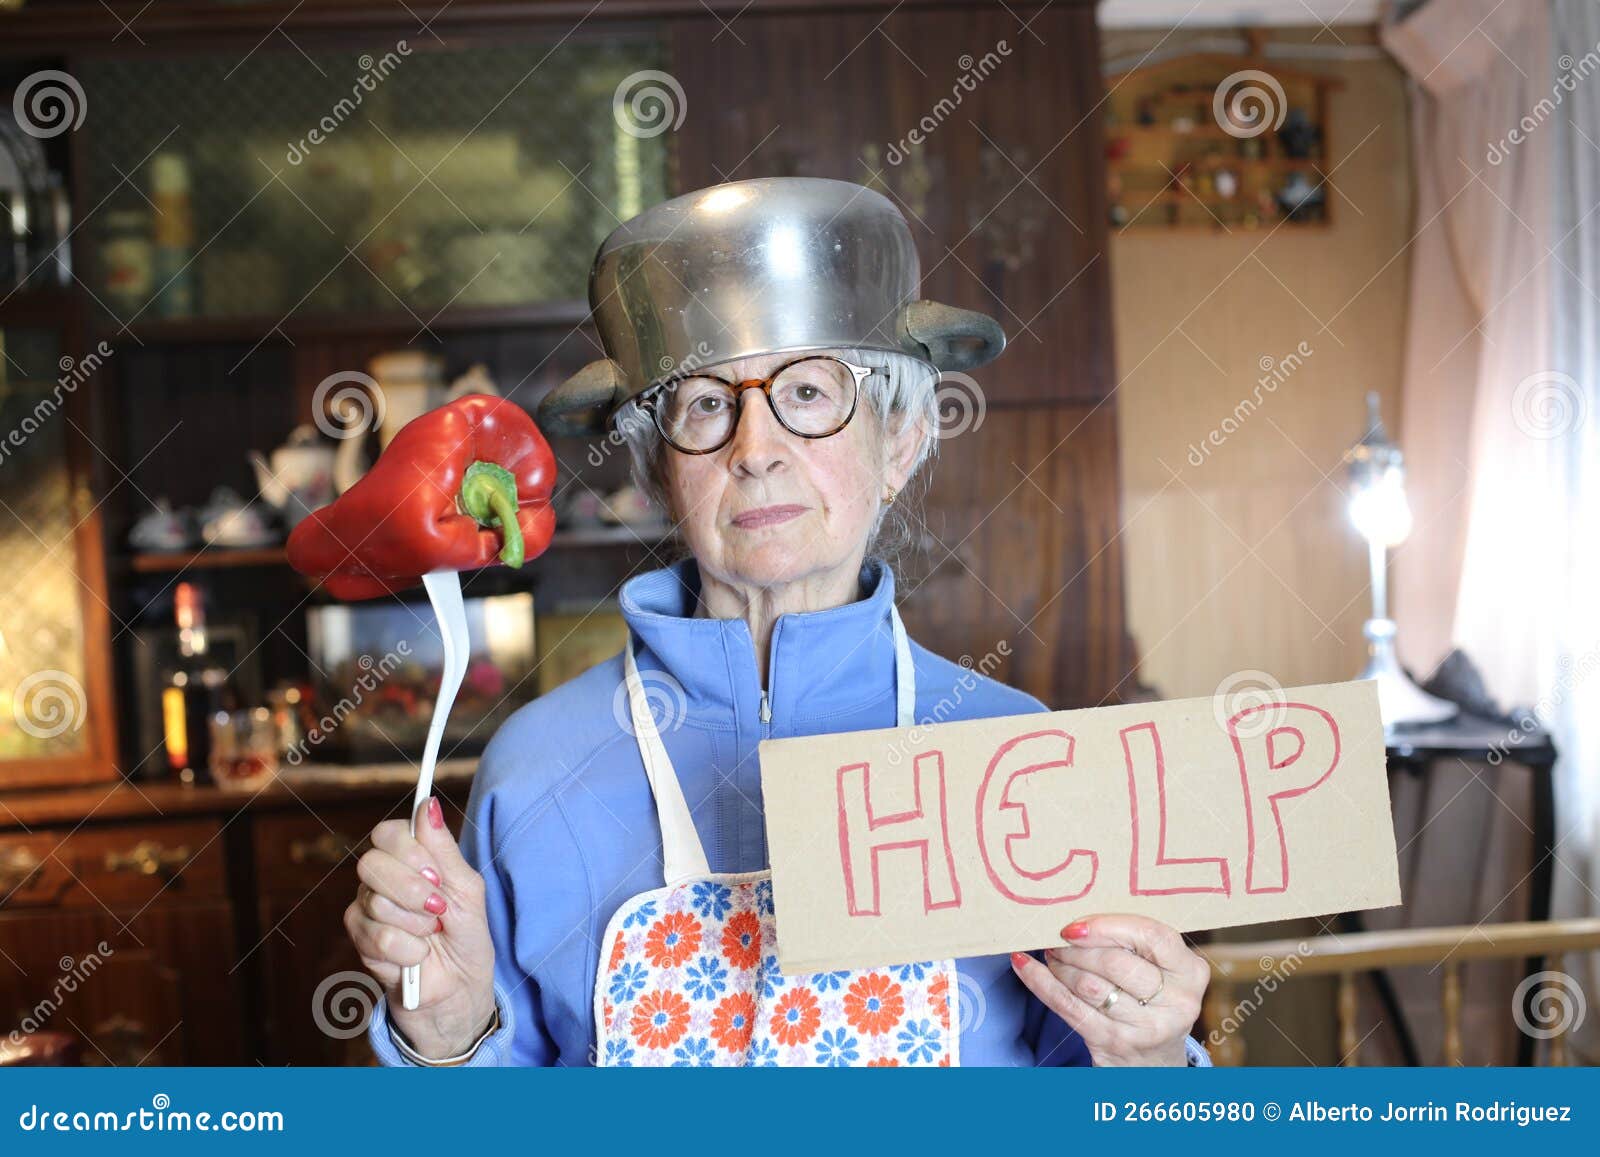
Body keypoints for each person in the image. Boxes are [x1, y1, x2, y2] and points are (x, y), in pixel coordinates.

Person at [347, 177, 1213, 1067]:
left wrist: (1143, 1052)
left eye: (807, 392)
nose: (754, 452)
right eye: (706, 404)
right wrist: (448, 1033)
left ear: (901, 441)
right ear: (655, 473)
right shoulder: (533, 772)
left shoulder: (1016, 759)